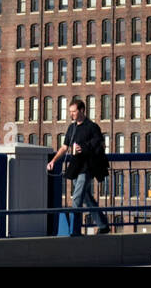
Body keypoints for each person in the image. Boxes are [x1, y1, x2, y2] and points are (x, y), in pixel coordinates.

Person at [47, 97, 110, 233]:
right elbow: (64, 147)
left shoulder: (92, 127)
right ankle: (103, 225)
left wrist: (85, 148)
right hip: (76, 167)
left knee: (76, 198)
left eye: (74, 111)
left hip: (87, 168)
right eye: (70, 112)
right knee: (86, 197)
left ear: (82, 110)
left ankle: (73, 230)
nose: (72, 114)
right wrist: (53, 161)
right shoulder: (72, 128)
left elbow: (100, 145)